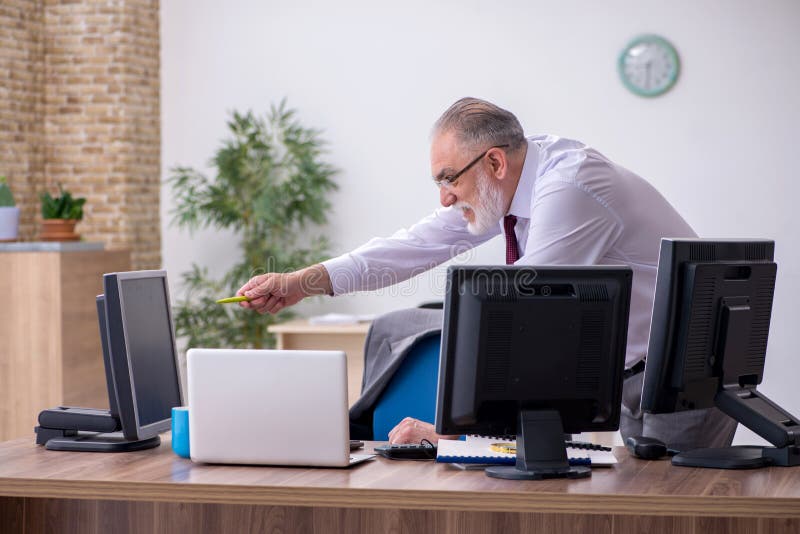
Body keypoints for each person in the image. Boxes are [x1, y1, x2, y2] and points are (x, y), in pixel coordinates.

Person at [236, 97, 737, 450]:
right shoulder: (513, 181)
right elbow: (417, 244)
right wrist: (298, 283)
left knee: (668, 511)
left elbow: (529, 321)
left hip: (681, 371)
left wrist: (450, 434)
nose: (444, 198)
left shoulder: (570, 188)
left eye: (448, 179)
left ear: (494, 161)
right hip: (628, 374)